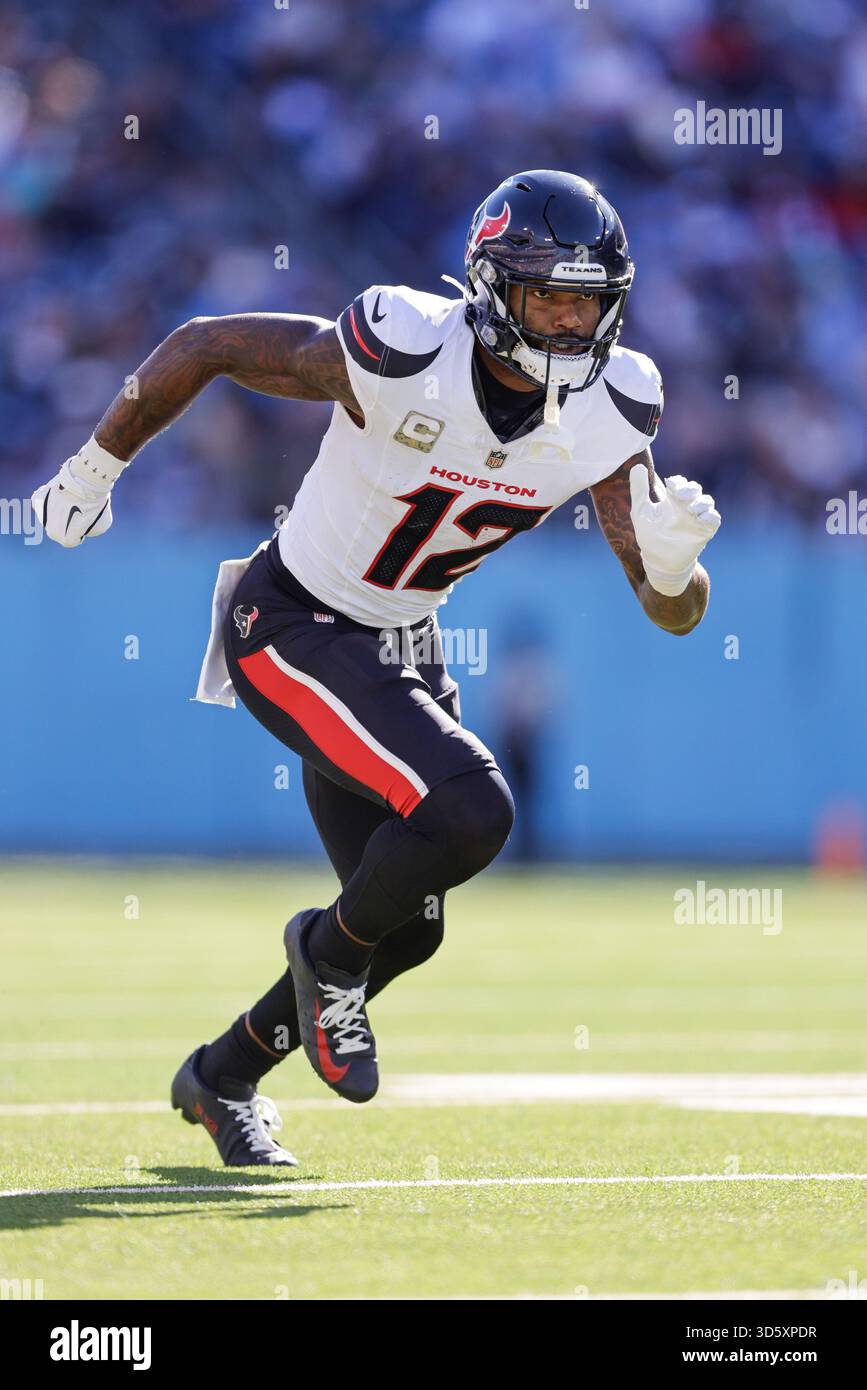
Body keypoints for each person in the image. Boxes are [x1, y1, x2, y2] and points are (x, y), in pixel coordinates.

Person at [32, 170, 721, 1167]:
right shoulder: (402, 348)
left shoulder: (617, 408)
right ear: (491, 290)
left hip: (400, 644)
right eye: (551, 298)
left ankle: (222, 1074)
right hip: (292, 623)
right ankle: (326, 957)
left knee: (410, 921)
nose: (573, 324)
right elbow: (209, 344)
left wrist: (676, 570)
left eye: (590, 301)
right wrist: (99, 463)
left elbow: (671, 615)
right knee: (472, 809)